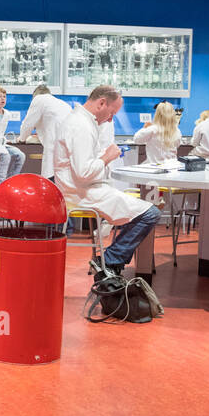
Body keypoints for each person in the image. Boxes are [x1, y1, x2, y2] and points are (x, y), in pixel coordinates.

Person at [54, 85, 161, 278]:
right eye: (112, 113)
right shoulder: (81, 126)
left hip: (84, 189)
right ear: (101, 103)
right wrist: (107, 157)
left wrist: (103, 159)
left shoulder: (81, 122)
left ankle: (111, 263)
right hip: (82, 193)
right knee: (150, 213)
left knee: (139, 212)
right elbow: (84, 172)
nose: (111, 119)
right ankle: (109, 260)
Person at [19, 84, 72, 179]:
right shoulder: (62, 104)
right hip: (70, 147)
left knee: (50, 178)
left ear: (35, 96)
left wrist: (21, 139)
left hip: (55, 145)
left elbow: (28, 124)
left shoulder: (39, 99)